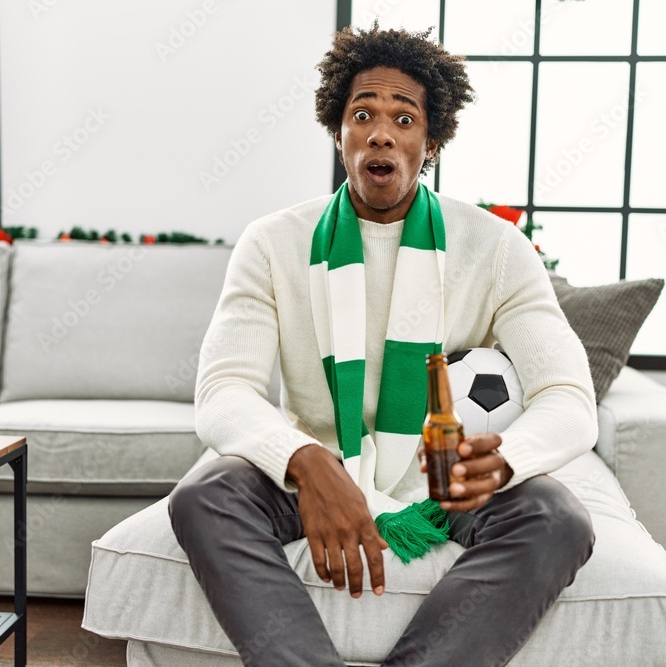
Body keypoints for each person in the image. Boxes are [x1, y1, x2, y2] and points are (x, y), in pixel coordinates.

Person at [169, 23, 598, 667]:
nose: (381, 132)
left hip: (443, 480)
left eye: (405, 118)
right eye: (362, 113)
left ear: (429, 142)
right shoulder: (271, 243)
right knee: (206, 496)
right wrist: (306, 462)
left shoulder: (497, 249)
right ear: (338, 133)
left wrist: (506, 458)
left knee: (557, 517)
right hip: (315, 466)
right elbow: (224, 391)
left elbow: (567, 395)